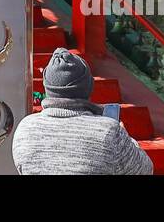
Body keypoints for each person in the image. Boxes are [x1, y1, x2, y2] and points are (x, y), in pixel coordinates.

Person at [11, 48, 154, 175]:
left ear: (48, 88)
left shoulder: (25, 128)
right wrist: (126, 138)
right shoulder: (109, 132)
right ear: (88, 88)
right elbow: (145, 169)